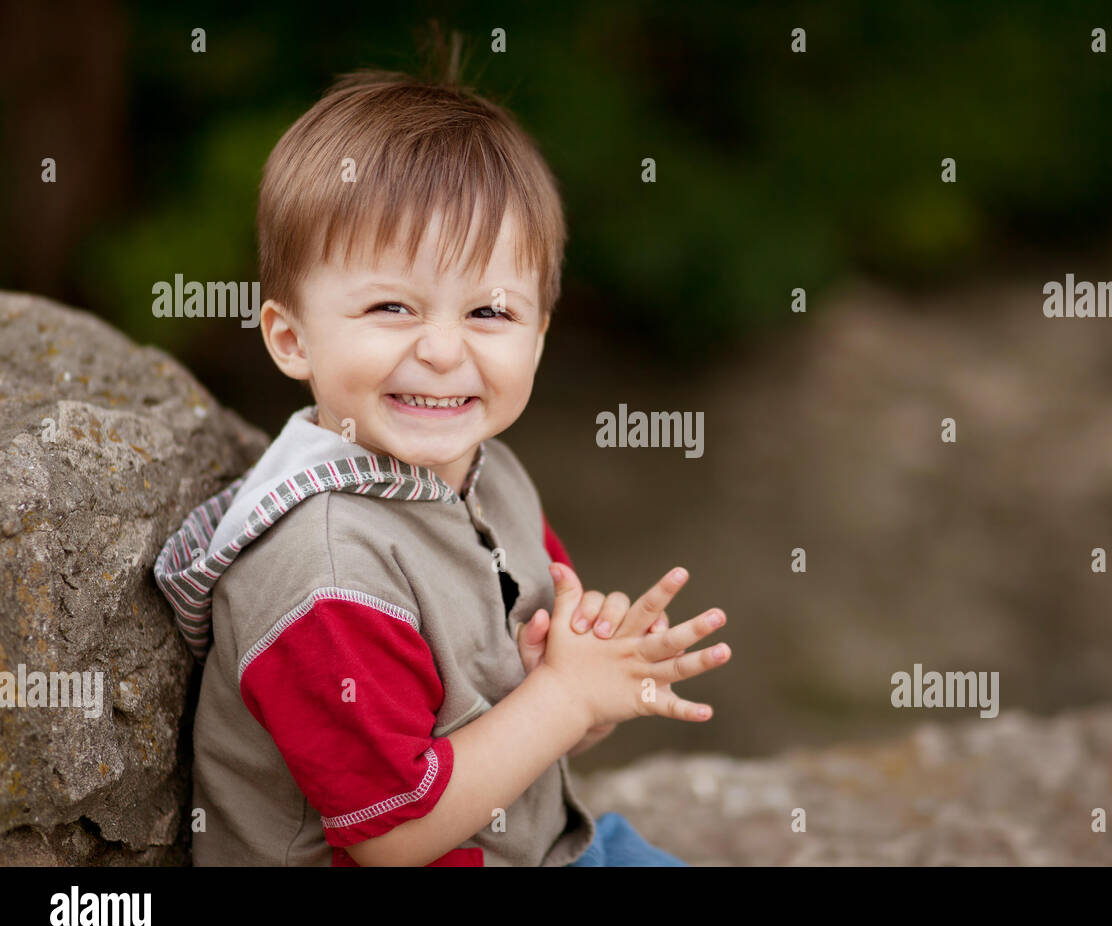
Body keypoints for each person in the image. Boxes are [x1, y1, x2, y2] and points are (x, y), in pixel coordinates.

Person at [153, 67, 731, 867]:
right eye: (391, 306)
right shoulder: (326, 573)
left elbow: (536, 726)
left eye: (490, 311)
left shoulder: (496, 478)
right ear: (291, 338)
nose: (442, 349)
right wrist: (563, 699)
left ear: (538, 337)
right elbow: (392, 837)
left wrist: (593, 679)